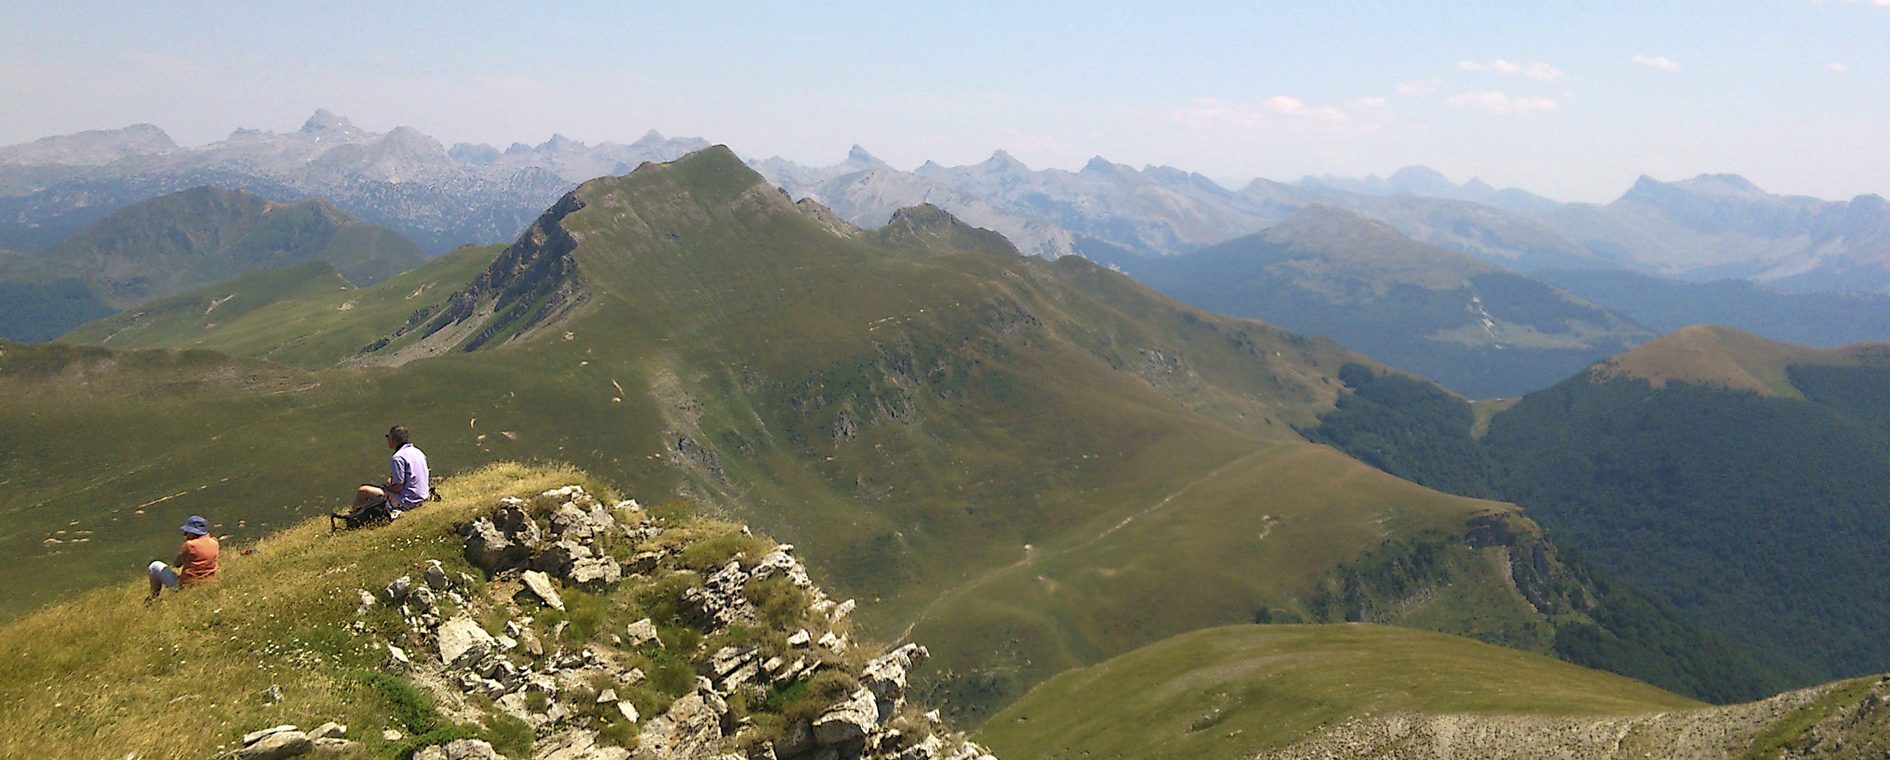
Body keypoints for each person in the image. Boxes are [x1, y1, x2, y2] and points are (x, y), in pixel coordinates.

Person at [351, 425, 430, 519]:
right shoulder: (418, 452)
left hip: (409, 501)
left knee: (363, 490)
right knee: (387, 484)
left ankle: (352, 518)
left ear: (392, 439)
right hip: (422, 496)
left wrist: (387, 488)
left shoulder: (398, 457)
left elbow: (398, 486)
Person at [147, 515, 219, 600]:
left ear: (193, 532)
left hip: (186, 587)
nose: (185, 534)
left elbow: (177, 564)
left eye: (187, 531)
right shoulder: (214, 542)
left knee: (154, 566)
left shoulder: (190, 545)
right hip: (209, 584)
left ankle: (153, 597)